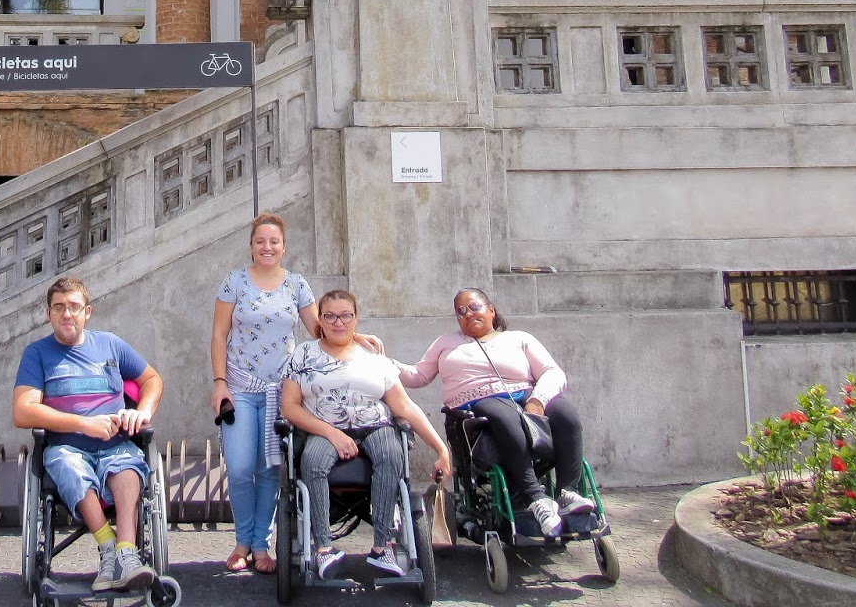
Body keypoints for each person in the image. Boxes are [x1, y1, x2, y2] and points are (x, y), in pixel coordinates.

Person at [394, 287, 593, 539]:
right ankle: (536, 498)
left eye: (474, 307)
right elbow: (417, 375)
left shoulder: (519, 338)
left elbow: (553, 373)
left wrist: (538, 400)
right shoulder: (446, 343)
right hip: (477, 406)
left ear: (491, 310)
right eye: (460, 311)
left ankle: (568, 492)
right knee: (503, 415)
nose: (468, 314)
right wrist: (378, 361)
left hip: (525, 396)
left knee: (566, 413)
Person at [281, 290, 451, 580]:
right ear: (320, 319)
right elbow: (289, 407)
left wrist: (441, 450)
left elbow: (404, 406)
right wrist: (332, 434)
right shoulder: (304, 354)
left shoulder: (373, 357)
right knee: (311, 461)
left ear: (356, 318)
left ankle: (382, 545)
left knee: (391, 454)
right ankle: (323, 548)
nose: (338, 322)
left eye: (346, 315)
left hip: (376, 426)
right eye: (330, 316)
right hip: (324, 428)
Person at [14, 276, 163, 593]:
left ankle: (126, 554)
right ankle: (107, 547)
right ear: (48, 313)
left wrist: (142, 411)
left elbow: (151, 379)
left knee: (126, 467)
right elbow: (23, 410)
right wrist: (84, 424)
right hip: (67, 447)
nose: (67, 314)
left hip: (115, 442)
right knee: (70, 468)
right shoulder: (37, 354)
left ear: (87, 311)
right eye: (59, 308)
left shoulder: (110, 344)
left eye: (74, 307)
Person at [210, 213, 318, 575]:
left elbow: (321, 329)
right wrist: (220, 383)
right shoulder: (234, 283)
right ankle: (241, 539)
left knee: (270, 469)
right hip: (240, 388)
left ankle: (260, 545)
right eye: (260, 241)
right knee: (240, 469)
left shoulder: (297, 285)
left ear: (283, 246)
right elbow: (218, 335)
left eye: (274, 242)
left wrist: (355, 337)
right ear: (251, 245)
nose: (267, 247)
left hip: (281, 393)